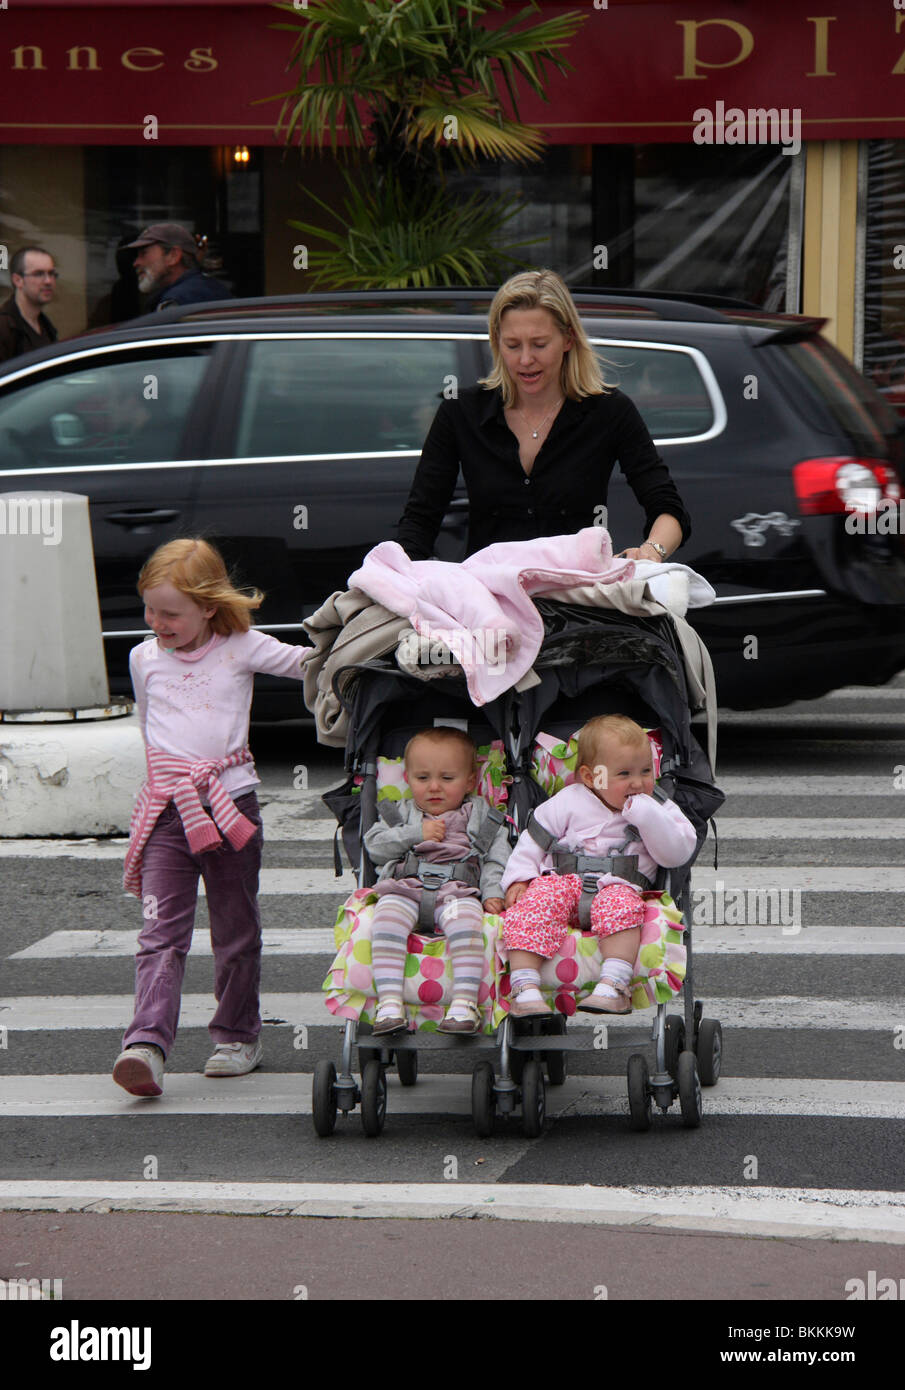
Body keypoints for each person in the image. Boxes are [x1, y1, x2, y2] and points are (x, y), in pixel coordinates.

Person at [112, 538, 313, 1097]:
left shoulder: (241, 646)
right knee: (160, 933)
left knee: (235, 928)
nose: (157, 622)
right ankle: (146, 1045)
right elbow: (151, 730)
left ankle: (237, 1035)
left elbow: (308, 666)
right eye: (150, 609)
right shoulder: (142, 658)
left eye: (170, 612)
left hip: (230, 809)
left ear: (208, 605)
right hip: (168, 812)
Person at [396, 267, 690, 566]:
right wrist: (397, 577)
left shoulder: (610, 411)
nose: (525, 359)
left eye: (539, 344)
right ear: (497, 342)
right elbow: (420, 520)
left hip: (577, 599)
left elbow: (667, 507)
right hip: (488, 599)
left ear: (568, 339)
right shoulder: (460, 411)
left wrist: (651, 552)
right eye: (512, 345)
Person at [500, 714, 696, 1017]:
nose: (638, 782)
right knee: (534, 903)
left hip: (621, 886)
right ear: (592, 778)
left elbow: (677, 853)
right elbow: (532, 841)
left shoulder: (656, 805)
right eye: (624, 774)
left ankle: (614, 985)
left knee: (624, 908)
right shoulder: (568, 801)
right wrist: (519, 878)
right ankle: (524, 986)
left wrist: (647, 816)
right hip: (564, 882)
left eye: (646, 770)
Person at [362, 726, 511, 1037]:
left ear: (470, 781)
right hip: (404, 888)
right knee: (386, 919)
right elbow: (374, 848)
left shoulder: (483, 817)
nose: (434, 787)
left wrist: (493, 892)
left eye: (447, 779)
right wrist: (415, 833)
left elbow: (497, 859)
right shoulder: (399, 814)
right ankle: (389, 1003)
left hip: (457, 892)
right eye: (422, 778)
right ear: (407, 778)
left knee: (468, 926)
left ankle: (464, 1004)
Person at [125, 222, 232, 312]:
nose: (136, 263)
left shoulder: (178, 301)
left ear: (173, 256)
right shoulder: (209, 288)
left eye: (144, 253)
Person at [0, 246, 59, 364]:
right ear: (18, 280)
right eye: (38, 274)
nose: (48, 281)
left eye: (51, 273)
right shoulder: (4, 328)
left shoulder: (46, 327)